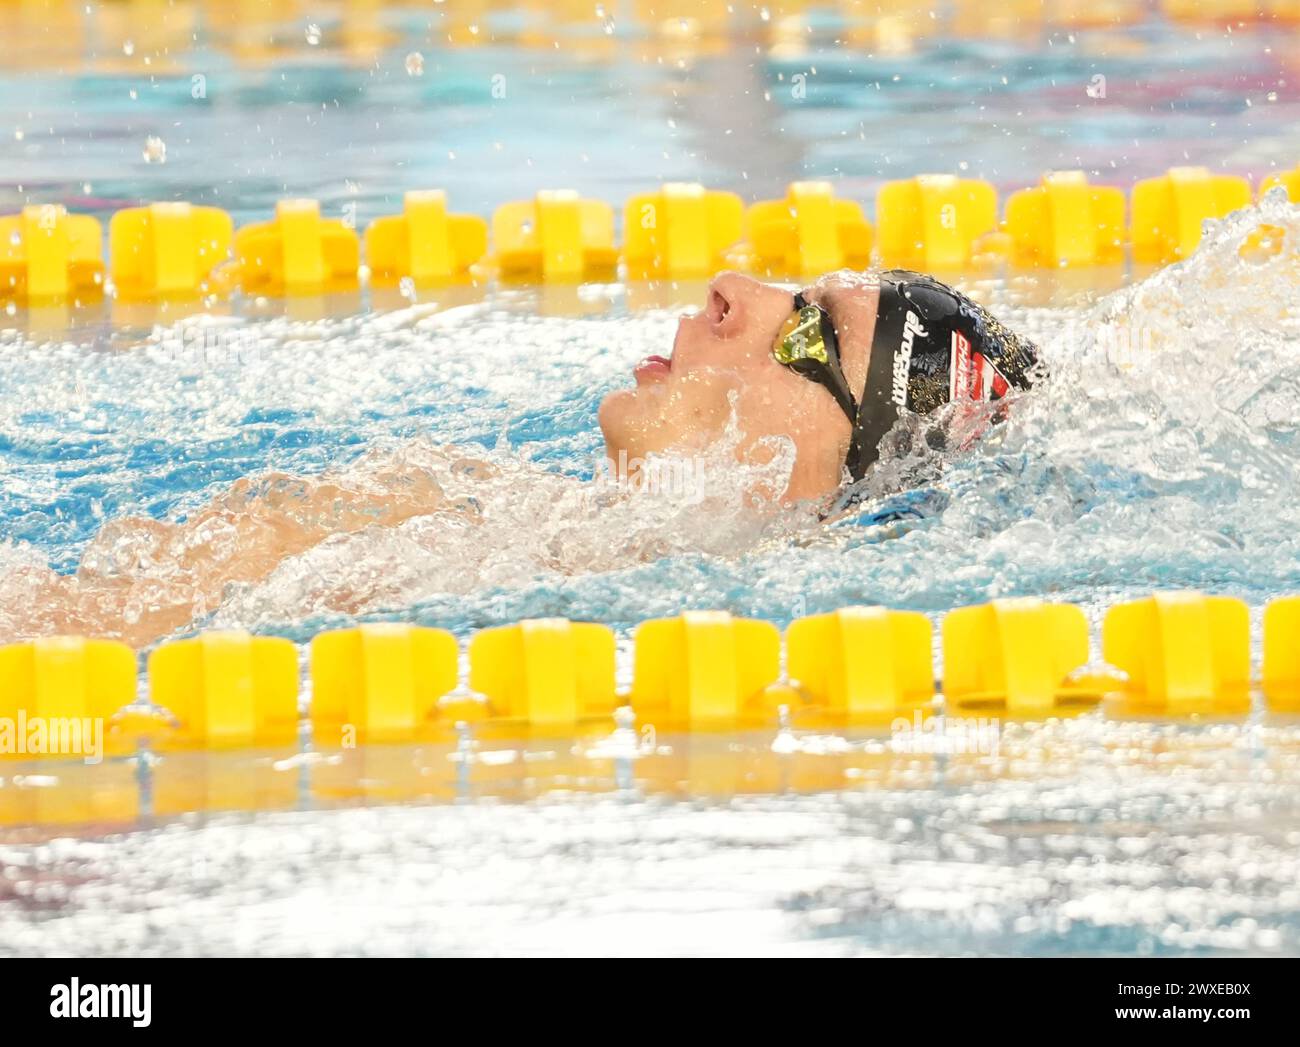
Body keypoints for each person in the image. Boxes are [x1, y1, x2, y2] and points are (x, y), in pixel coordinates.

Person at [1, 269, 1041, 647]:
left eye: (807, 334)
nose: (732, 287)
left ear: (825, 481)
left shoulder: (559, 617)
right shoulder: (490, 511)